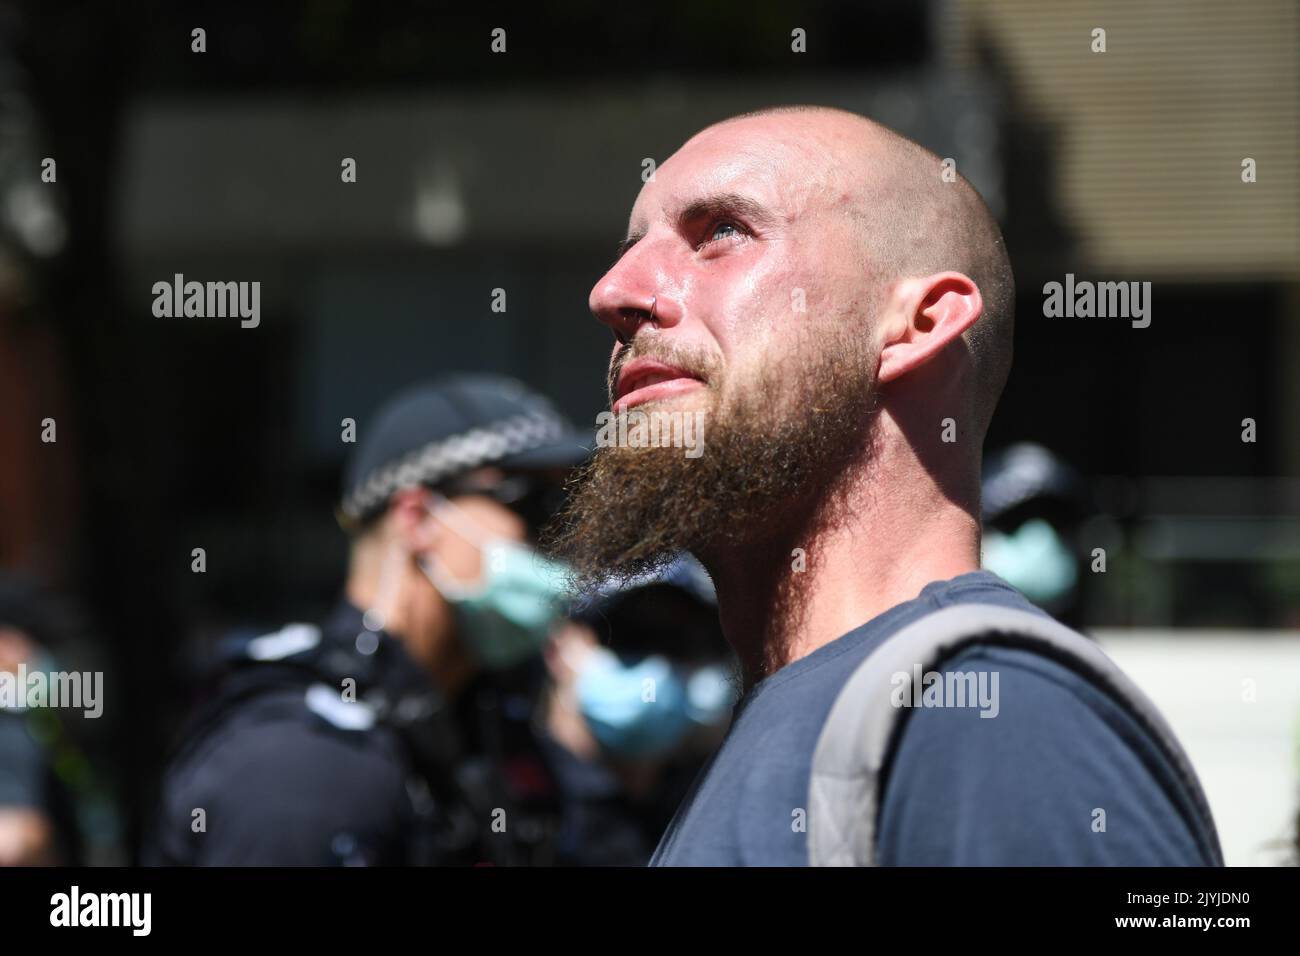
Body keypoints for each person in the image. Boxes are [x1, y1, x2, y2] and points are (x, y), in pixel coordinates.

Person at [545, 105, 1222, 865]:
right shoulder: (774, 728)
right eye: (632, 248)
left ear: (918, 324)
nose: (613, 292)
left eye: (722, 233)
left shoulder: (992, 719)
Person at [149, 375, 590, 865]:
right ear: (417, 517)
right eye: (536, 507)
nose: (558, 542)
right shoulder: (303, 759)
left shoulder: (487, 724)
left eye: (570, 514)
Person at [537, 555, 736, 864]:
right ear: (560, 647)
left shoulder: (735, 808)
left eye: (681, 641)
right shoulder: (519, 804)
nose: (659, 665)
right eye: (631, 635)